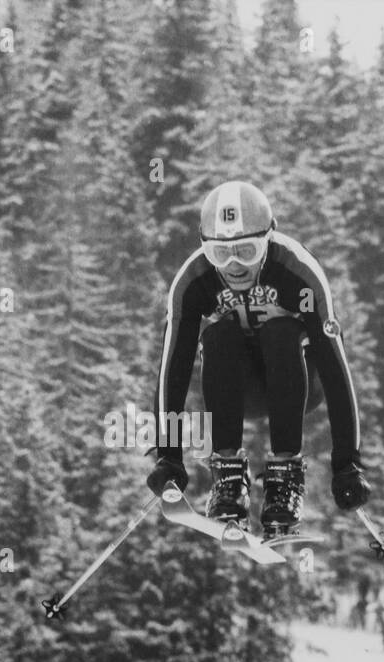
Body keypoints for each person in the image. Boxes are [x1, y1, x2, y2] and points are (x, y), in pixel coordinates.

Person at [145, 181, 369, 536]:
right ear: (205, 249)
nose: (234, 266)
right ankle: (229, 477)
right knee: (218, 335)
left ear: (269, 238)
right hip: (235, 390)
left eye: (246, 251)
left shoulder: (298, 272)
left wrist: (347, 463)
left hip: (298, 384)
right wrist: (168, 455)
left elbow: (334, 367)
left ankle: (285, 478)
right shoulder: (193, 281)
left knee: (281, 331)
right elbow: (174, 367)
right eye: (220, 254)